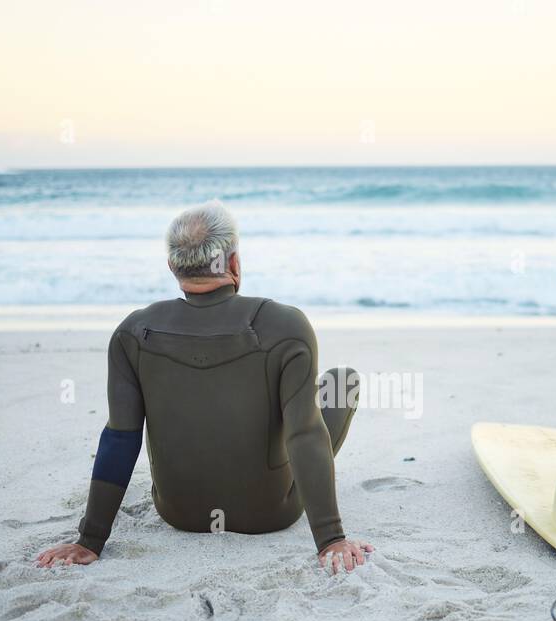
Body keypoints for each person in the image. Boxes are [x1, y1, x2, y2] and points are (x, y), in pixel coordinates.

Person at [36, 200, 372, 574]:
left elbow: (121, 437)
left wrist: (89, 540)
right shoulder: (285, 326)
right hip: (269, 514)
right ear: (233, 263)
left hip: (179, 513)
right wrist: (331, 538)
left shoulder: (132, 332)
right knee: (342, 381)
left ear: (172, 267)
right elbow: (304, 433)